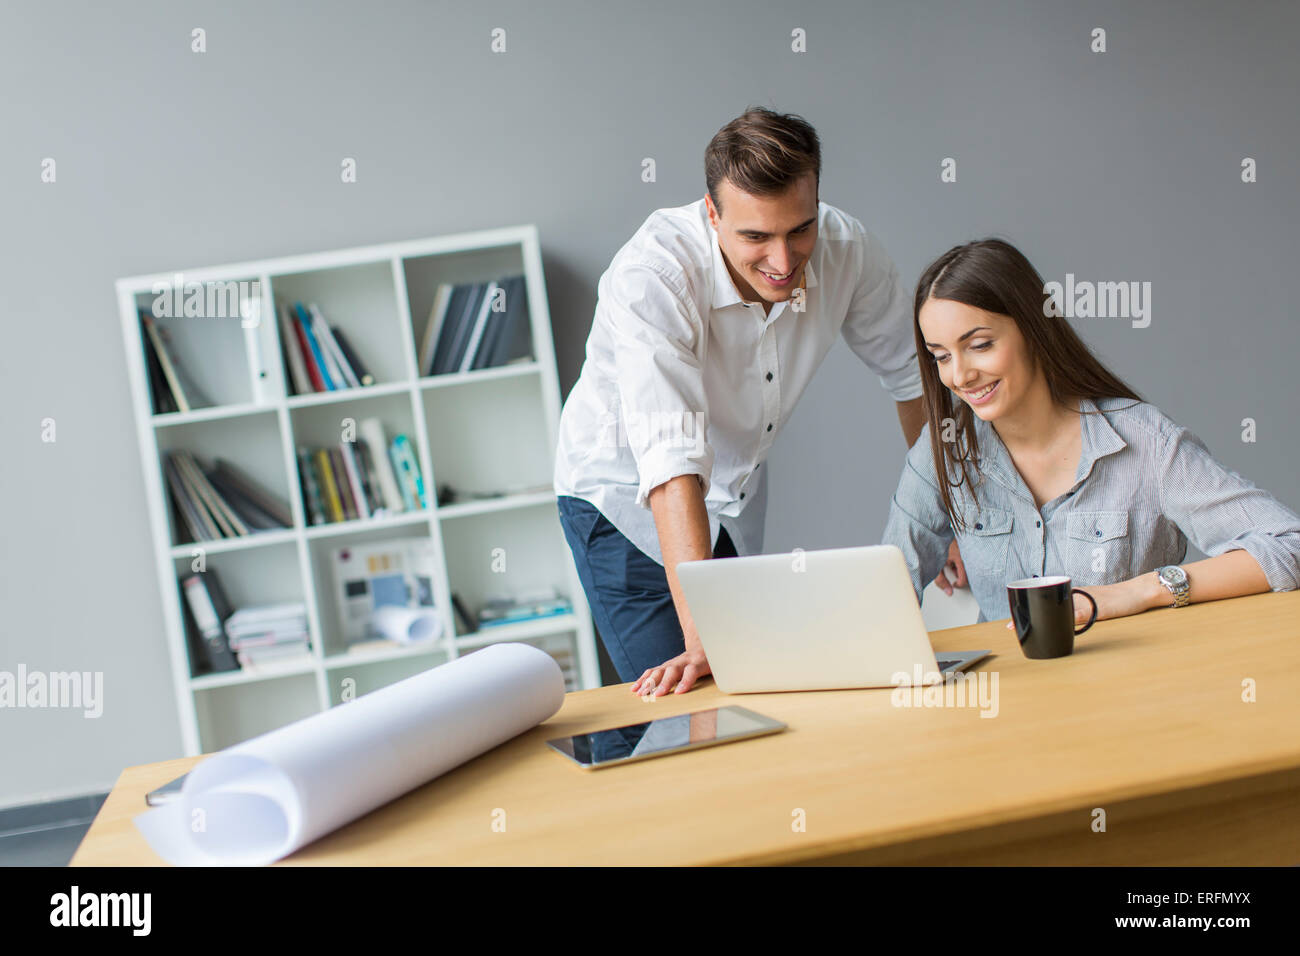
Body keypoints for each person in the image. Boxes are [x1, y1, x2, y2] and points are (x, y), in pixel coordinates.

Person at [555, 106, 931, 697]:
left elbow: (915, 377)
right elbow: (671, 459)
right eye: (756, 236)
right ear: (712, 213)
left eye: (798, 230)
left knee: (753, 696)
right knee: (681, 705)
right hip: (623, 502)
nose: (783, 264)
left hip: (731, 501)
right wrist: (702, 633)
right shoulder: (653, 276)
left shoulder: (845, 246)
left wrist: (954, 519)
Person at [883, 237, 1300, 625]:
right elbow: (883, 591)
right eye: (940, 356)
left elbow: (1289, 545)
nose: (960, 375)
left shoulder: (1143, 442)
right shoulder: (943, 448)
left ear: (1032, 328)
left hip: (1135, 694)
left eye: (980, 345)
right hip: (1009, 697)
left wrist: (1136, 593)